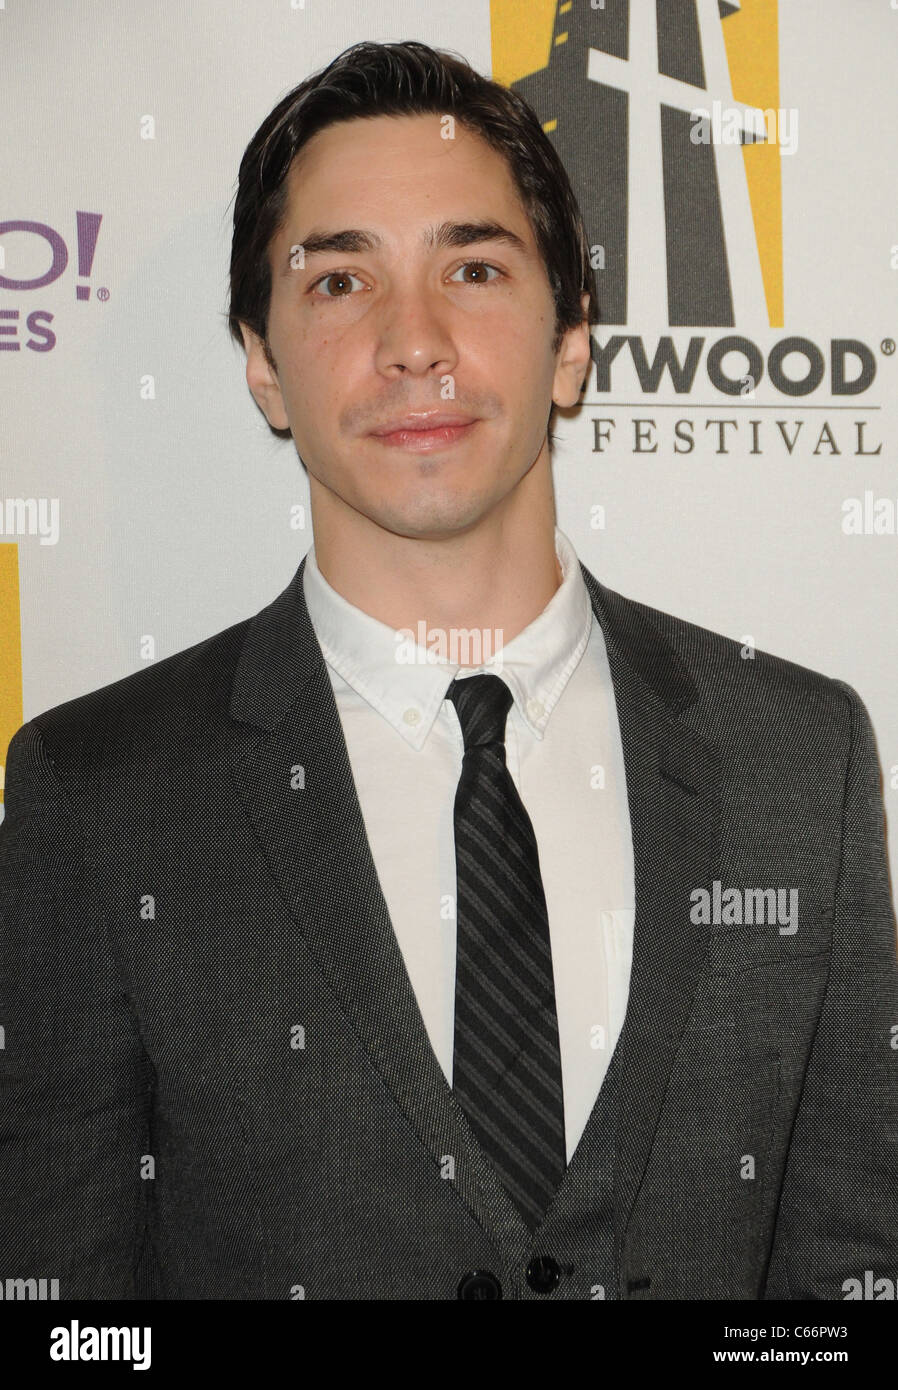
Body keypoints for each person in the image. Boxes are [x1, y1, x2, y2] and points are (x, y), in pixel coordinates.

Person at [1, 40, 896, 1302]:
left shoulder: (799, 759)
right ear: (261, 363)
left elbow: (851, 1283)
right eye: (339, 281)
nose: (413, 342)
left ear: (572, 340)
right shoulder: (95, 791)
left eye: (472, 269)